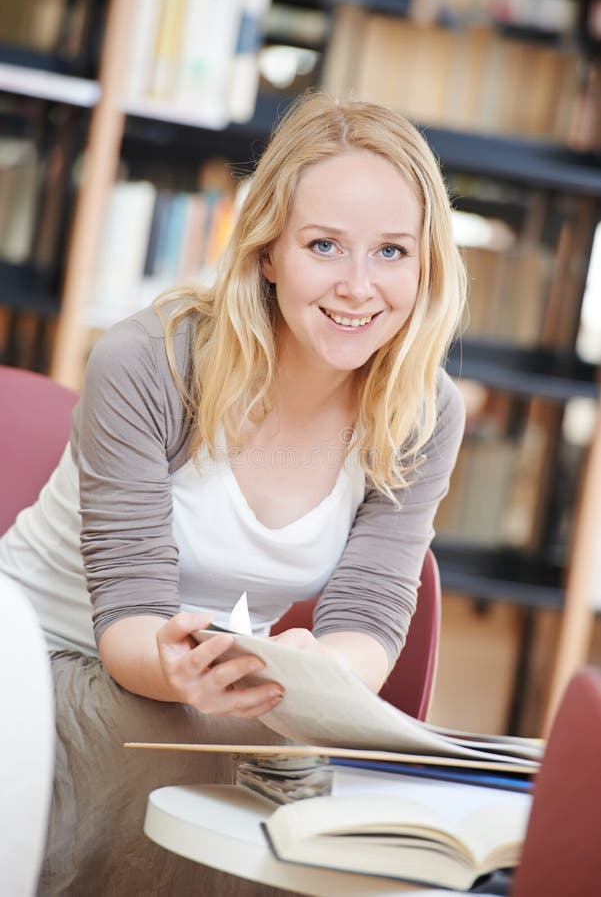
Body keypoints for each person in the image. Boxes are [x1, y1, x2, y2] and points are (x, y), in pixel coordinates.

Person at [0, 91, 466, 895]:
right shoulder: (151, 362)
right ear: (267, 251)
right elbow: (130, 621)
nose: (358, 286)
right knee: (200, 767)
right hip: (49, 657)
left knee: (338, 807)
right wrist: (185, 678)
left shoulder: (422, 409)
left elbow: (368, 615)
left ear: (425, 264)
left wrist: (321, 669)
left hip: (210, 687)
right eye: (324, 245)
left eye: (391, 251)